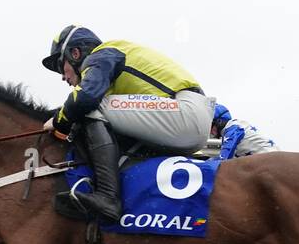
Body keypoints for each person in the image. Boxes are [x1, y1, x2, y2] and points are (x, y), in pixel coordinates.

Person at [40, 25, 215, 222]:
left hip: (185, 113)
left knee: (90, 108)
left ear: (75, 53)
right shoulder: (109, 67)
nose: (63, 77)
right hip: (186, 118)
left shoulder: (100, 55)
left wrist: (58, 121)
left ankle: (107, 197)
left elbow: (84, 99)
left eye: (60, 66)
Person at [211, 103, 278, 159]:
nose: (210, 131)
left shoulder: (233, 128)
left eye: (211, 126)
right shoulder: (234, 127)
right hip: (266, 159)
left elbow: (223, 158)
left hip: (270, 160)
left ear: (219, 122)